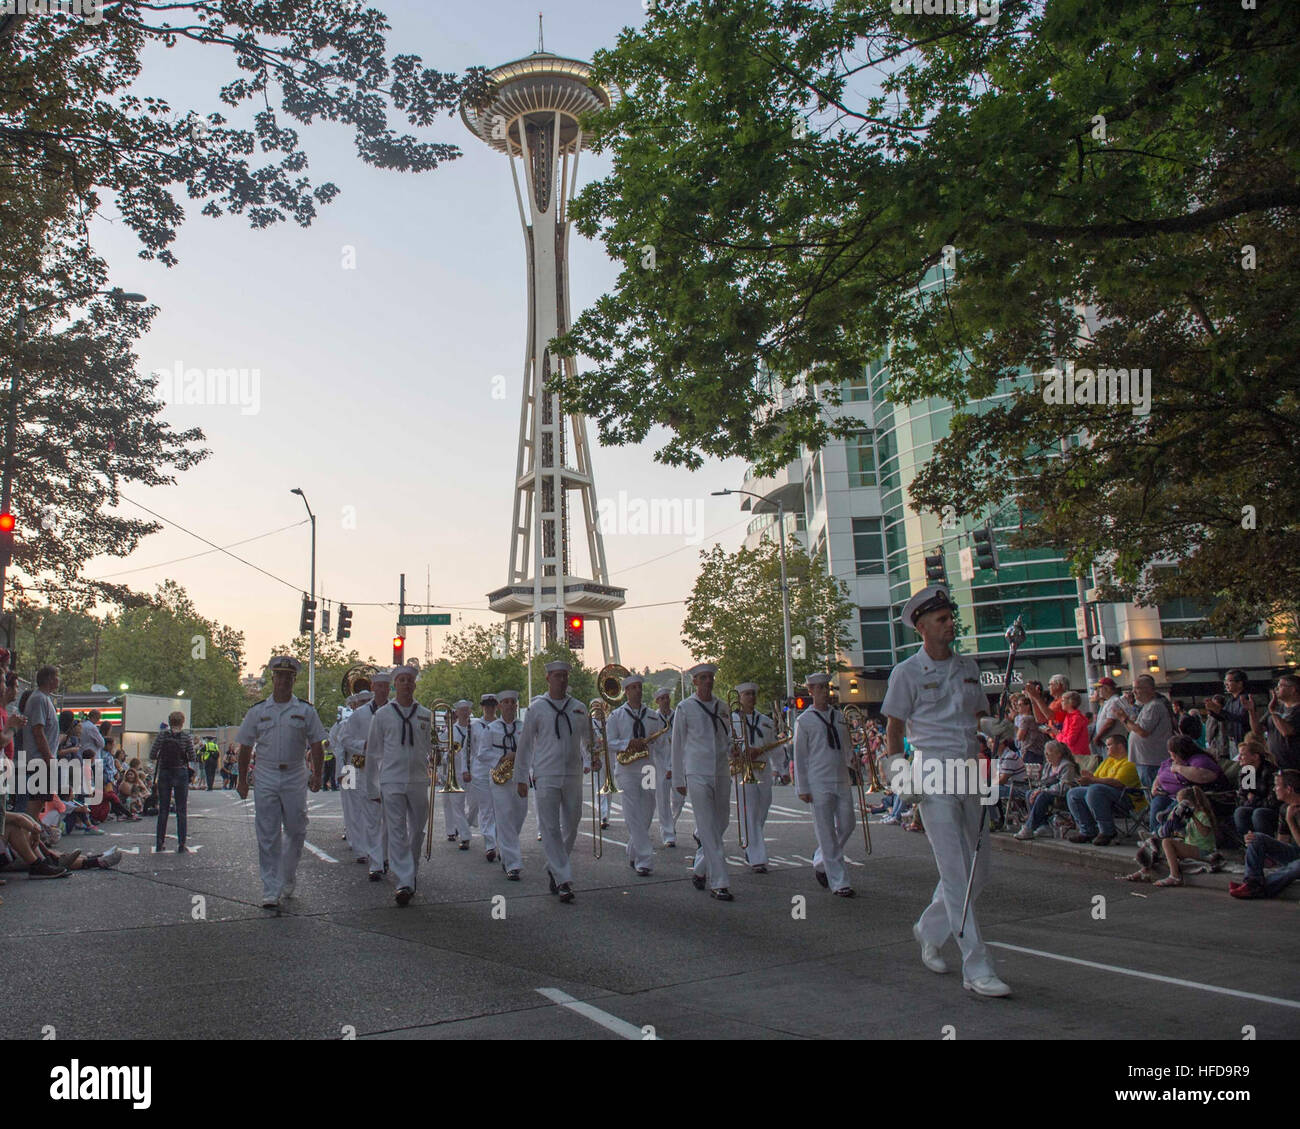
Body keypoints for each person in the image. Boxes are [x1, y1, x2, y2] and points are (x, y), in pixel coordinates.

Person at [883, 586, 1008, 996]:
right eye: (941, 619)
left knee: (980, 868)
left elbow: (978, 714)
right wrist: (898, 769)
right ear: (921, 627)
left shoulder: (967, 666)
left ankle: (929, 928)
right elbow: (895, 726)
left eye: (950, 617)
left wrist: (993, 728)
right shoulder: (907, 672)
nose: (950, 623)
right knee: (957, 873)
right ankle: (977, 968)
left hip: (970, 769)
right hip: (933, 771)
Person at [235, 655, 326, 908]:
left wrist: (317, 774)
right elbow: (245, 746)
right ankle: (271, 887)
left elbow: (317, 744)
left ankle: (287, 873)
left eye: (288, 677)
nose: (283, 681)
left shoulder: (305, 710)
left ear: (293, 680)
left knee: (297, 828)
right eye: (279, 676)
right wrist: (242, 780)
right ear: (272, 679)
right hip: (265, 772)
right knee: (267, 831)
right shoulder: (258, 711)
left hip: (295, 772)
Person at [512, 661, 591, 903]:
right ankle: (564, 879)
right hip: (546, 773)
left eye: (565, 676)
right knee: (549, 827)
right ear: (548, 678)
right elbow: (524, 745)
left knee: (572, 823)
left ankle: (555, 866)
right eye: (557, 676)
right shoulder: (537, 708)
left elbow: (589, 740)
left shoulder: (578, 707)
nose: (562, 680)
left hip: (572, 773)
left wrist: (593, 757)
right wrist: (521, 777)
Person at [366, 665, 433, 906]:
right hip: (392, 779)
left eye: (409, 680)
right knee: (396, 830)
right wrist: (372, 787)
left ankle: (410, 870)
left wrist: (439, 763)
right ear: (396, 685)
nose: (406, 684)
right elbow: (373, 752)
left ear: (415, 685)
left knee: (417, 829)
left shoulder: (425, 713)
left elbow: (430, 745)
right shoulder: (383, 714)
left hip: (417, 779)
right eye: (402, 680)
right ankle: (404, 882)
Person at [671, 662, 736, 901]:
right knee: (707, 826)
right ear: (695, 682)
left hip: (720, 770)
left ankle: (700, 867)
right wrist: (678, 777)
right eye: (703, 678)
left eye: (711, 678)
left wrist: (733, 751)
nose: (708, 681)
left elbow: (725, 737)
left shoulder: (722, 706)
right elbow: (677, 745)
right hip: (697, 772)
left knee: (722, 821)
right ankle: (719, 882)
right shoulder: (685, 708)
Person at [794, 672, 857, 896]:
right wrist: (802, 787)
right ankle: (839, 882)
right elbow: (800, 756)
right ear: (810, 691)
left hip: (840, 777)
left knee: (848, 823)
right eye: (819, 687)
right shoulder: (804, 720)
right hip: (818, 780)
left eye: (826, 687)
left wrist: (852, 760)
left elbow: (846, 744)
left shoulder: (838, 716)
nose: (824, 691)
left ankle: (821, 859)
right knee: (826, 830)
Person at [605, 673, 657, 877]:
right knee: (632, 811)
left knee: (648, 809)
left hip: (648, 767)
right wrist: (628, 743)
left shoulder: (653, 715)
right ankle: (644, 859)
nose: (638, 690)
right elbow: (608, 741)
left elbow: (661, 743)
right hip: (627, 768)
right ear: (626, 692)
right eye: (633, 687)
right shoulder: (617, 716)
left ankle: (633, 848)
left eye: (639, 687)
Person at [1122, 786, 1220, 887]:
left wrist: (1193, 817)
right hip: (1191, 845)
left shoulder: (1201, 815)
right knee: (1156, 845)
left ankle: (1175, 876)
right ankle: (1144, 870)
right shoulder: (1186, 817)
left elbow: (1205, 833)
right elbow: (1180, 831)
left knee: (1167, 842)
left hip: (1204, 850)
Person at [731, 682, 781, 874]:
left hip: (763, 769)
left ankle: (751, 841)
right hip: (743, 769)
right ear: (740, 697)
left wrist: (781, 768)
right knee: (750, 811)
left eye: (753, 694)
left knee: (763, 808)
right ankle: (756, 856)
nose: (751, 697)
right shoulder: (732, 720)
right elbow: (729, 743)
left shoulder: (765, 720)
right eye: (747, 694)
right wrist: (743, 751)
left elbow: (774, 745)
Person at [1230, 770, 1300, 899]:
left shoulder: (1290, 813)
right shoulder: (1285, 808)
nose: (1274, 789)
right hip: (1296, 852)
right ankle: (1252, 881)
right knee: (1257, 838)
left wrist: (1291, 821)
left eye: (1277, 786)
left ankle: (1259, 888)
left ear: (1289, 789)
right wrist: (1259, 845)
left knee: (1296, 866)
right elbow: (1283, 841)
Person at [1065, 733, 1142, 845]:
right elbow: (1095, 778)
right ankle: (1087, 831)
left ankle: (1107, 831)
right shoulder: (1108, 761)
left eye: (1109, 745)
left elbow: (1117, 783)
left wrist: (1092, 780)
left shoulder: (1129, 762)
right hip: (1100, 794)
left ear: (1120, 746)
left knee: (1095, 789)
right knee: (1073, 793)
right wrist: (1087, 778)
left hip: (1126, 798)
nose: (1106, 748)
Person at [1148, 734, 1227, 832]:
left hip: (1192, 797)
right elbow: (1159, 775)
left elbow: (1204, 776)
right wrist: (1155, 785)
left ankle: (1161, 832)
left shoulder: (1199, 760)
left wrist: (1178, 768)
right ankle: (1155, 833)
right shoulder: (1169, 761)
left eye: (1172, 752)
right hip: (1167, 794)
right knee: (1157, 803)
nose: (1170, 755)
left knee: (1182, 801)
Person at [487, 690, 526, 880]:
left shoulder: (523, 727)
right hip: (499, 777)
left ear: (516, 706)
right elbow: (482, 753)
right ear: (500, 706)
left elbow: (531, 750)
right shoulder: (492, 728)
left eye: (513, 702)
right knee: (504, 817)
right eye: (506, 702)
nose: (510, 705)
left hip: (519, 775)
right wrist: (502, 758)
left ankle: (505, 848)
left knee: (519, 814)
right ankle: (513, 864)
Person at [357, 671, 392, 879]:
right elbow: (345, 738)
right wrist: (363, 746)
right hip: (367, 770)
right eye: (379, 686)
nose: (382, 690)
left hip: (390, 771)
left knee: (390, 819)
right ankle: (376, 864)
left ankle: (385, 855)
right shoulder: (360, 714)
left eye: (386, 687)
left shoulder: (394, 711)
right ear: (373, 688)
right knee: (372, 819)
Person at [1120, 674, 1175, 797]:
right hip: (1143, 759)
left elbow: (1143, 731)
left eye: (1137, 688)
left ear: (1150, 689)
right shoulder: (1146, 706)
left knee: (1153, 793)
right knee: (1148, 791)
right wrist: (1125, 718)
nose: (1134, 692)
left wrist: (1124, 718)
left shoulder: (1155, 706)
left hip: (1151, 760)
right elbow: (1133, 729)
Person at [1014, 740, 1080, 840]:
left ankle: (1029, 827)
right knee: (1030, 793)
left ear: (1058, 754)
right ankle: (1043, 826)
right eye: (1045, 752)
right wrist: (1039, 789)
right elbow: (1043, 782)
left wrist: (1044, 791)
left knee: (1042, 796)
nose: (1046, 755)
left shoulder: (1067, 766)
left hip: (1061, 795)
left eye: (1049, 752)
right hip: (1049, 792)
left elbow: (1065, 786)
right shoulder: (1049, 765)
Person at [18, 665, 60, 821]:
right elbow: (38, 731)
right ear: (49, 679)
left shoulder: (45, 699)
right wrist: (48, 757)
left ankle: (34, 841)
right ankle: (26, 837)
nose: (58, 680)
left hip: (44, 759)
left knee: (40, 801)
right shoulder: (38, 699)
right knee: (35, 803)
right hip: (39, 759)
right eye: (57, 676)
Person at [150, 711, 195, 853]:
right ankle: (181, 843)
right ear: (182, 722)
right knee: (181, 809)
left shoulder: (162, 735)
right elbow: (192, 756)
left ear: (169, 722)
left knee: (163, 809)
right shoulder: (186, 737)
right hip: (180, 772)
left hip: (165, 771)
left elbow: (152, 754)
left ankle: (159, 841)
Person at [466, 693, 500, 863]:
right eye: (486, 705)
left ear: (496, 707)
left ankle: (500, 841)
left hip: (500, 770)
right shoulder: (474, 725)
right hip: (480, 771)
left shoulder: (501, 725)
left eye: (492, 705)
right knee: (486, 808)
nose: (489, 708)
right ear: (482, 707)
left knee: (499, 808)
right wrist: (467, 769)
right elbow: (468, 748)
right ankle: (490, 845)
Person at [1246, 673, 1300, 772]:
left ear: (1293, 689)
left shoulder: (1296, 710)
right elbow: (1258, 731)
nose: (1276, 689)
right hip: (1276, 762)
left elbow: (1286, 731)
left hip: (1294, 763)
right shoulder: (1277, 708)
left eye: (1281, 686)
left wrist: (1273, 712)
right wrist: (1251, 711)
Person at [1231, 735, 1279, 839]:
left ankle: (1267, 846)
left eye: (1243, 755)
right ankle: (1249, 846)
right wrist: (1253, 801)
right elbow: (1242, 798)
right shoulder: (1246, 772)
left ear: (1255, 757)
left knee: (1258, 814)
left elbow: (1273, 802)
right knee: (1240, 812)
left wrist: (1253, 799)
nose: (1239, 758)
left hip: (1272, 811)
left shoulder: (1270, 771)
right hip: (1255, 806)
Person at [651, 687, 681, 847]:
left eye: (667, 697)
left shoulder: (678, 716)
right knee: (662, 800)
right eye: (662, 698)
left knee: (679, 799)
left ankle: (672, 822)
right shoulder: (653, 718)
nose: (666, 700)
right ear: (657, 701)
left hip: (677, 762)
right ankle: (668, 834)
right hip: (659, 763)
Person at [444, 702, 473, 850]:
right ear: (457, 712)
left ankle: (464, 825)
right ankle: (465, 836)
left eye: (466, 710)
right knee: (457, 805)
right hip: (455, 771)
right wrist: (447, 756)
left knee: (475, 805)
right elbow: (443, 752)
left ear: (470, 711)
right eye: (461, 710)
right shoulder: (451, 731)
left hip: (473, 772)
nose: (464, 712)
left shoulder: (474, 728)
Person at [1205, 670, 1253, 750]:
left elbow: (1241, 719)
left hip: (1244, 740)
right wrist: (1212, 710)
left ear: (1240, 683)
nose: (1226, 684)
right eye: (1225, 681)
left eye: (1229, 681)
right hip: (1233, 742)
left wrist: (1219, 710)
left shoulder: (1245, 699)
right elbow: (1223, 717)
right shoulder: (1231, 700)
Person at [1091, 677, 1133, 753]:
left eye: (1100, 688)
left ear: (1107, 688)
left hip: (1114, 744)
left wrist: (1098, 737)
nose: (1098, 691)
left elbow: (1110, 723)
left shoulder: (1114, 701)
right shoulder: (1109, 701)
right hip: (1108, 743)